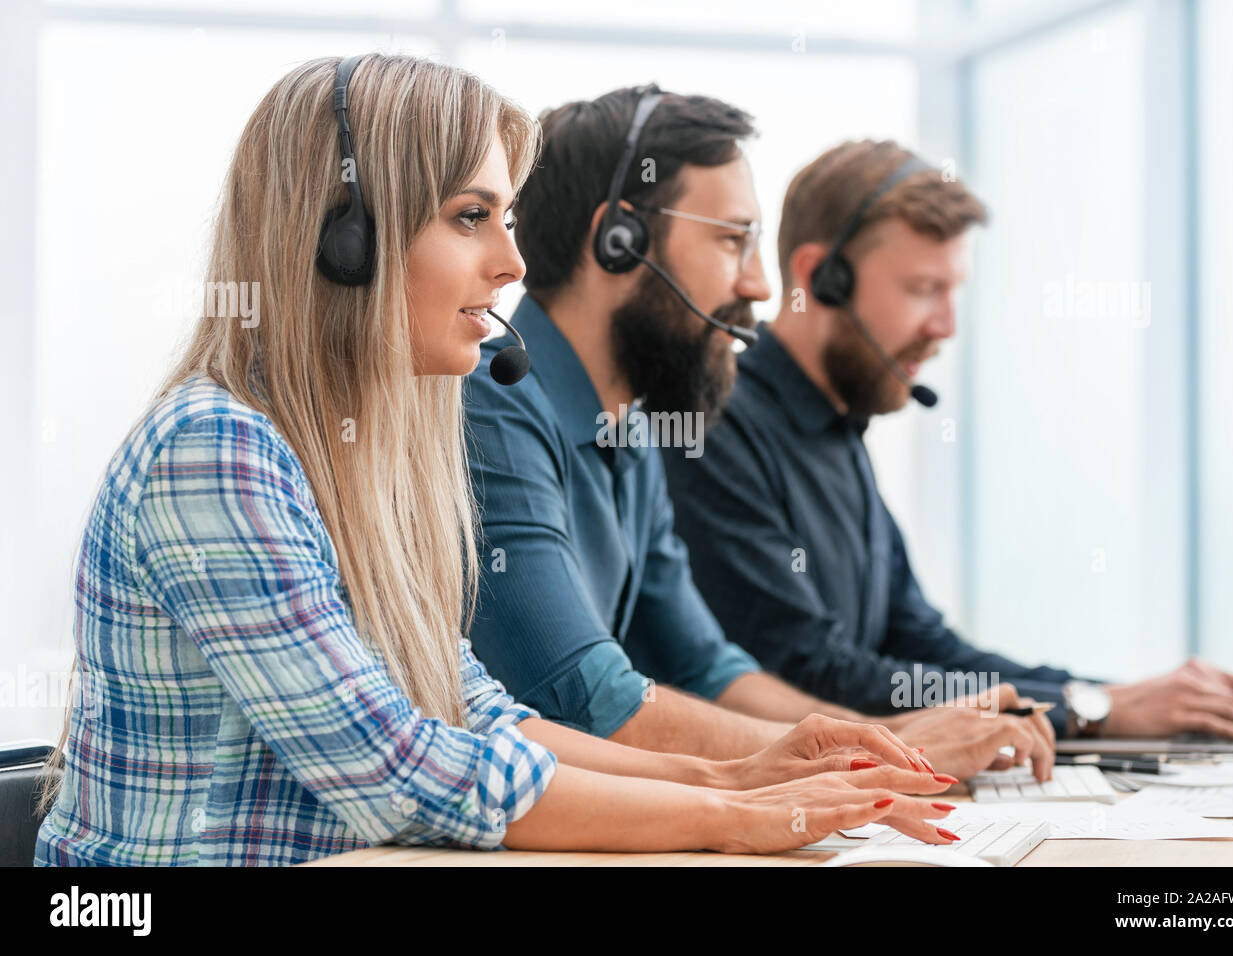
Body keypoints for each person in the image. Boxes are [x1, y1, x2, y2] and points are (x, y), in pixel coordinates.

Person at [33, 57, 956, 867]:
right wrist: (728, 814)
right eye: (471, 216)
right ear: (342, 242)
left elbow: (475, 711)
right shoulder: (215, 451)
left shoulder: (377, 460)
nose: (512, 260)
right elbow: (395, 770)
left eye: (507, 216)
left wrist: (736, 773)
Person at [464, 85, 1055, 782]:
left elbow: (707, 668)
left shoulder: (634, 427)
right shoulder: (492, 405)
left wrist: (895, 736)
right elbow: (590, 701)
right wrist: (870, 753)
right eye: (732, 240)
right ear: (619, 242)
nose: (759, 285)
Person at [661, 138, 1233, 744]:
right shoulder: (716, 427)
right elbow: (812, 670)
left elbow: (921, 644)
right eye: (923, 289)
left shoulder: (836, 427)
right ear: (821, 278)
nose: (946, 327)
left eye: (953, 291)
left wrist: (1107, 697)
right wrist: (1087, 712)